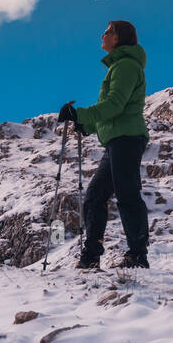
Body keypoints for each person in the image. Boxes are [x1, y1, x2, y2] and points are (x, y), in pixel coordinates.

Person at [58, 20, 150, 270]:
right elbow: (113, 112)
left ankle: (137, 255)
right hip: (117, 141)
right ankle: (92, 254)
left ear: (120, 38)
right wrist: (85, 126)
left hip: (127, 140)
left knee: (127, 195)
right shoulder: (120, 66)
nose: (103, 34)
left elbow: (115, 105)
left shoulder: (126, 66)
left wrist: (79, 115)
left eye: (109, 31)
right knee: (94, 197)